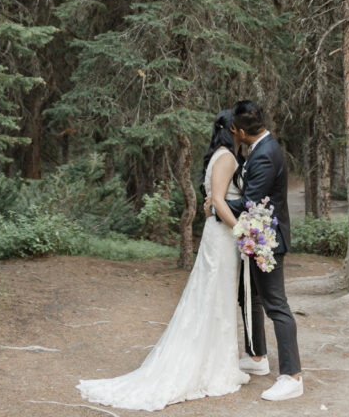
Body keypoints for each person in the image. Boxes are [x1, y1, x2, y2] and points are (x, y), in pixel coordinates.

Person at [76, 109, 249, 411]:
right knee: (214, 299)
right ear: (233, 129)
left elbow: (213, 201)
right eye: (242, 123)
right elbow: (219, 202)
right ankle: (209, 368)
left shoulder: (222, 156)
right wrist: (242, 232)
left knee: (216, 300)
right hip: (222, 237)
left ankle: (217, 363)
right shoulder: (225, 158)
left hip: (218, 236)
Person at [220, 99, 303, 401]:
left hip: (268, 240)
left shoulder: (266, 153)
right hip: (255, 237)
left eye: (235, 130)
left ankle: (292, 377)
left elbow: (250, 202)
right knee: (251, 297)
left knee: (276, 305)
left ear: (241, 132)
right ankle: (257, 357)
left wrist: (216, 206)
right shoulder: (259, 148)